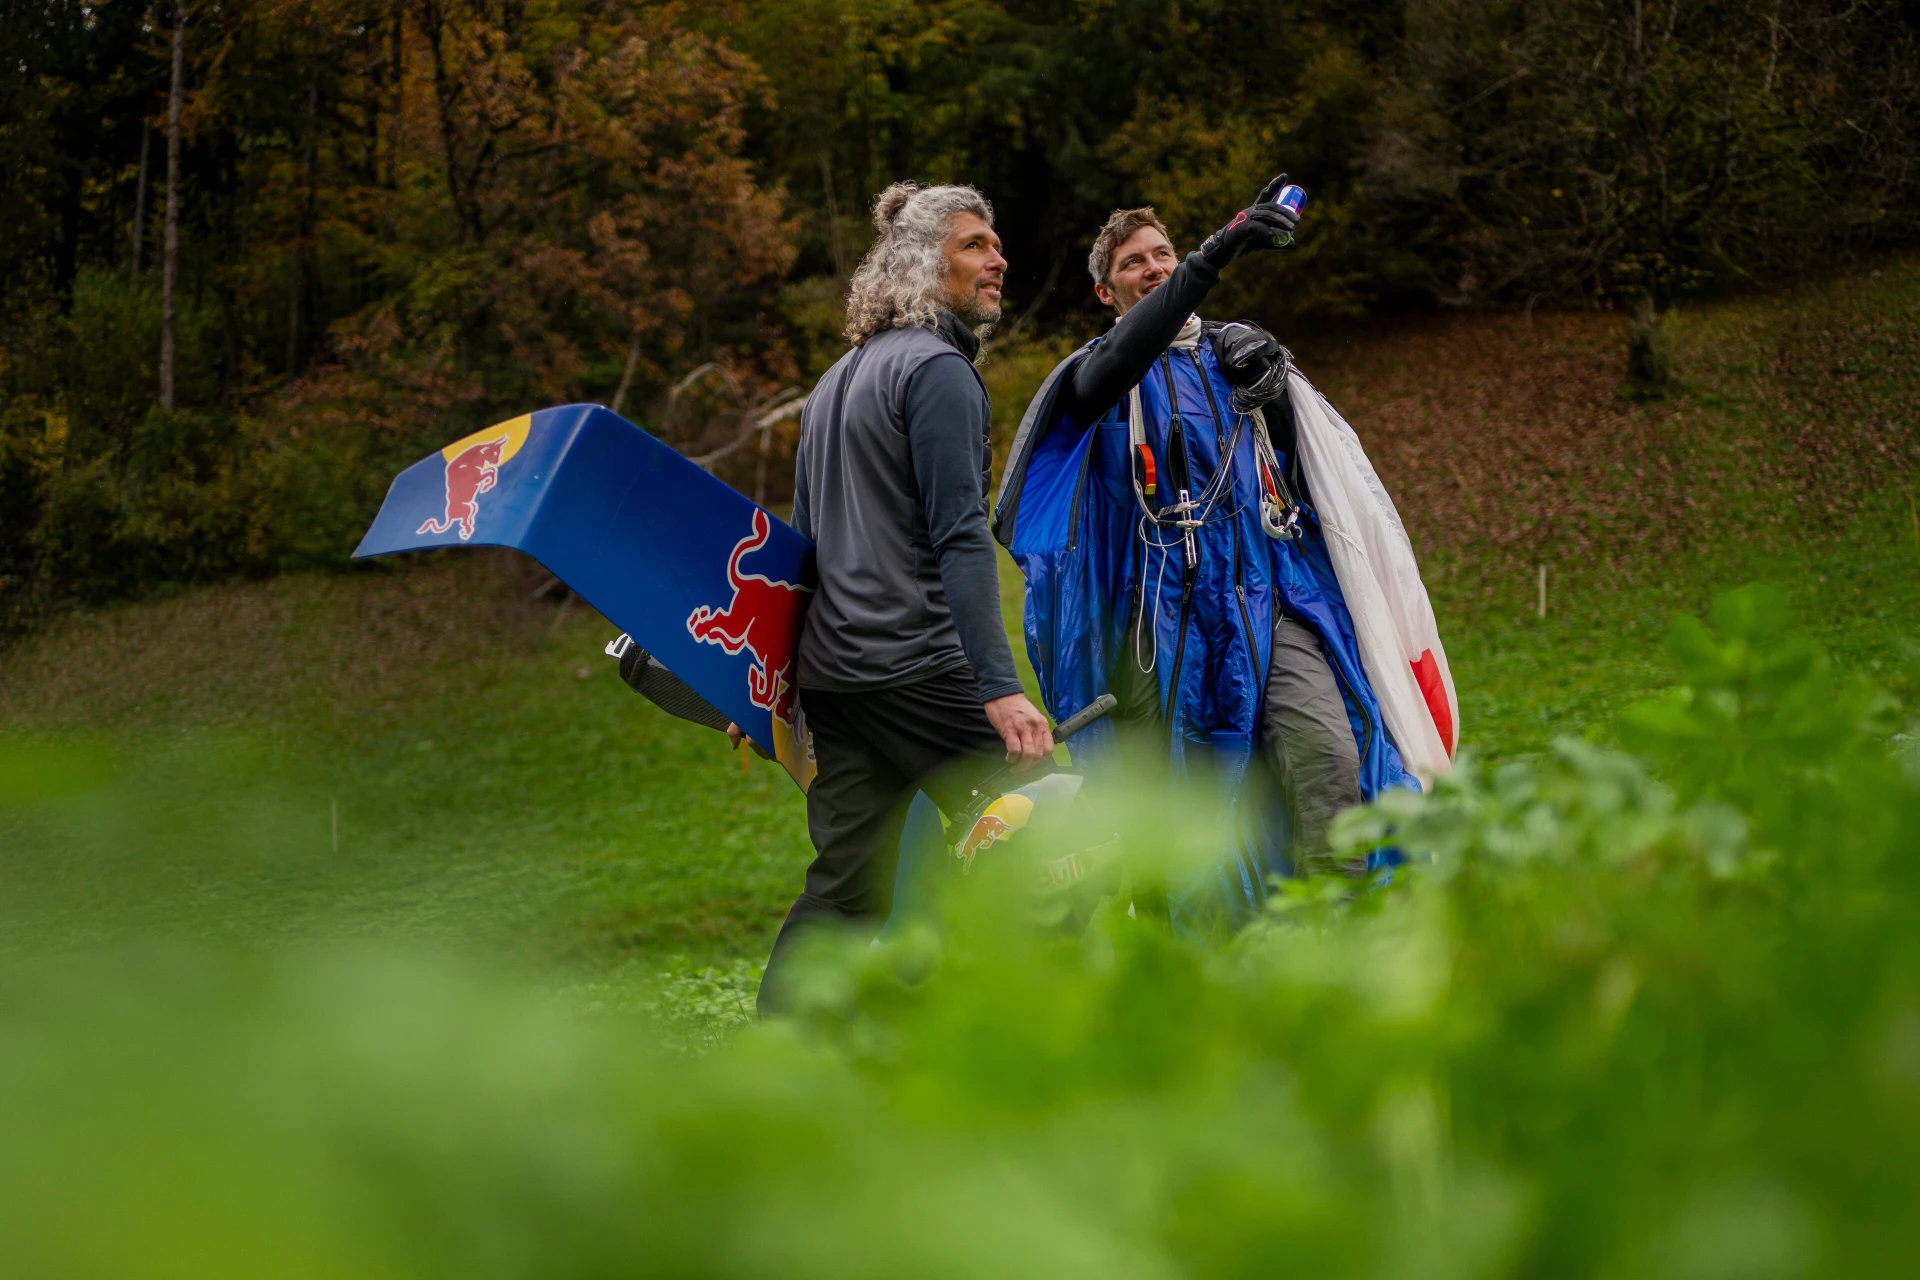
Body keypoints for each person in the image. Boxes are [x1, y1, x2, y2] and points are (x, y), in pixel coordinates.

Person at [993, 179, 1429, 920]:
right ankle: (1213, 961)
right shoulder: (1100, 374)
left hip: (1271, 602)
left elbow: (1308, 480)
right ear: (1106, 291)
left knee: (1327, 754)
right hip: (1163, 627)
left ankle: (1346, 930)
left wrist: (1279, 393)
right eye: (1134, 262)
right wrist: (1216, 250)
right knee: (1197, 800)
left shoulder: (1234, 355)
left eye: (1163, 253)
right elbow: (1118, 369)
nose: (1155, 267)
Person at [757, 181, 1053, 1012]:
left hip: (841, 683)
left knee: (850, 892)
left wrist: (784, 689)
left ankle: (779, 1049)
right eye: (974, 245)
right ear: (925, 263)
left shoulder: (834, 381)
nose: (998, 260)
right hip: (916, 666)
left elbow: (798, 551)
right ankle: (1032, 1035)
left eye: (996, 244)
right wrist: (998, 687)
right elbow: (958, 535)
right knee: (1047, 824)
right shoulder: (938, 371)